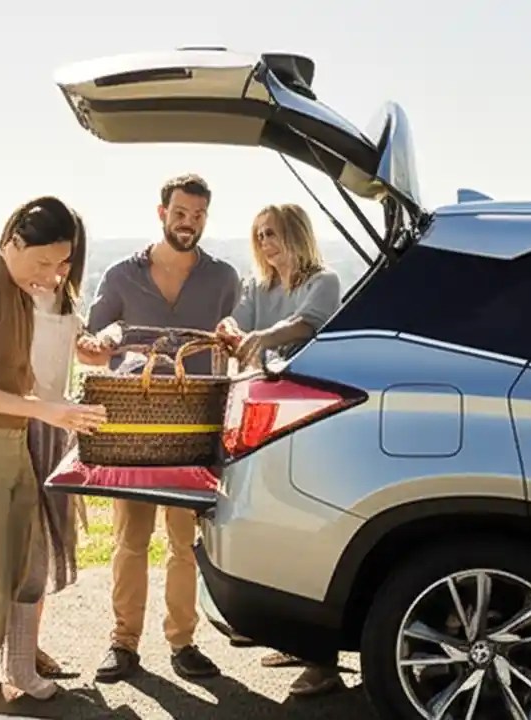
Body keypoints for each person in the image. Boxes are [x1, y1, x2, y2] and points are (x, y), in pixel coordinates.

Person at [0, 195, 106, 714]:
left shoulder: (18, 290)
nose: (52, 276)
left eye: (62, 264)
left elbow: (23, 372)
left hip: (9, 439)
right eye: (42, 262)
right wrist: (47, 410)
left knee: (16, 561)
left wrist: (61, 405)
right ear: (12, 242)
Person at [75, 173, 240, 684]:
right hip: (133, 429)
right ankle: (122, 643)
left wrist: (234, 338)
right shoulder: (121, 276)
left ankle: (183, 643)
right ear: (162, 212)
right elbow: (89, 345)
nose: (189, 223)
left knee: (184, 544)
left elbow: (237, 341)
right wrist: (101, 344)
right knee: (130, 541)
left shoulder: (223, 278)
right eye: (180, 213)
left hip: (193, 429)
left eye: (198, 215)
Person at [216, 202, 343, 697]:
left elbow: (307, 325)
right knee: (278, 531)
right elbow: (238, 322)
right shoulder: (258, 287)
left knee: (310, 532)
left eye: (272, 233)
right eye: (260, 235)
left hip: (309, 421)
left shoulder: (323, 281)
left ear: (296, 234)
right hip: (267, 421)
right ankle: (295, 640)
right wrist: (231, 329)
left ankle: (323, 665)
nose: (266, 243)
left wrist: (263, 336)